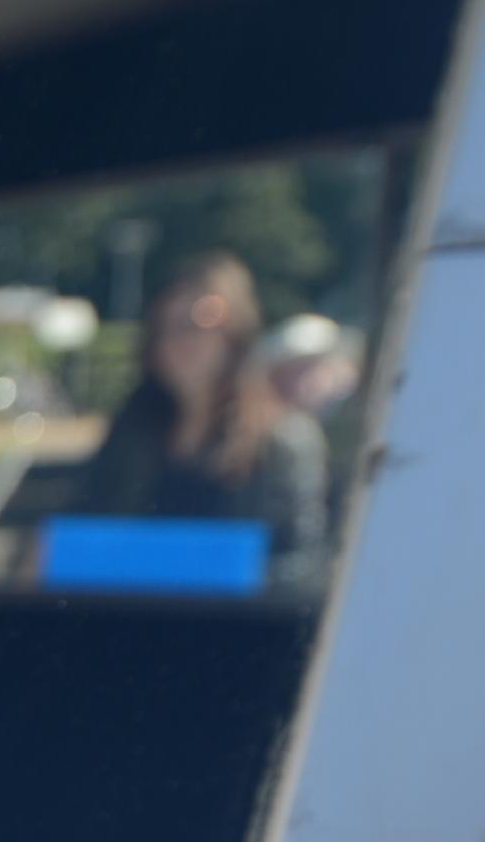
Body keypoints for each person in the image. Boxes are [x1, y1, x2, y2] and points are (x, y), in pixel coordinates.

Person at [58, 250, 330, 591]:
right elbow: (84, 524)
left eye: (199, 321)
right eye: (165, 325)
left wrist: (223, 573)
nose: (180, 340)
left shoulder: (285, 439)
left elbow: (304, 565)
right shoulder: (131, 430)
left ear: (236, 330)